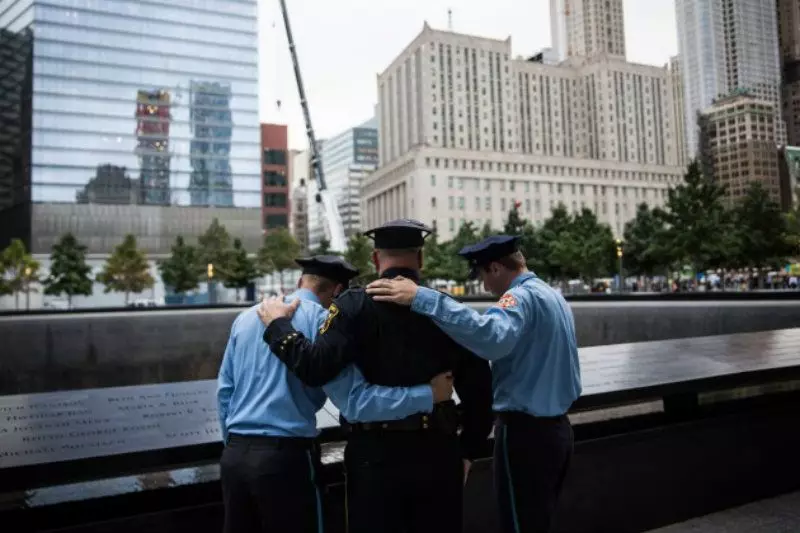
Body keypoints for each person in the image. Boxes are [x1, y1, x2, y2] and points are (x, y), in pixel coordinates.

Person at [256, 220, 494, 533]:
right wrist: (467, 453)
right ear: (420, 259)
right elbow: (481, 392)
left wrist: (278, 326)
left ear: (374, 259)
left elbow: (315, 367)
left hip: (375, 457)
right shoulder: (446, 309)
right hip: (438, 453)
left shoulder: (354, 306)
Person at [217, 254, 454, 533]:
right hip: (286, 460)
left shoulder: (246, 318)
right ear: (338, 292)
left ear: (300, 281)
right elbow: (356, 403)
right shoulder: (323, 323)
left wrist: (235, 447)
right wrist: (427, 394)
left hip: (233, 459)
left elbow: (225, 394)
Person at [366, 234, 582, 533]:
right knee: (538, 520)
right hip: (558, 431)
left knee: (520, 524)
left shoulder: (519, 298)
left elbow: (490, 338)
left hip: (525, 435)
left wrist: (421, 297)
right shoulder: (552, 295)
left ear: (495, 267)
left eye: (482, 275)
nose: (484, 287)